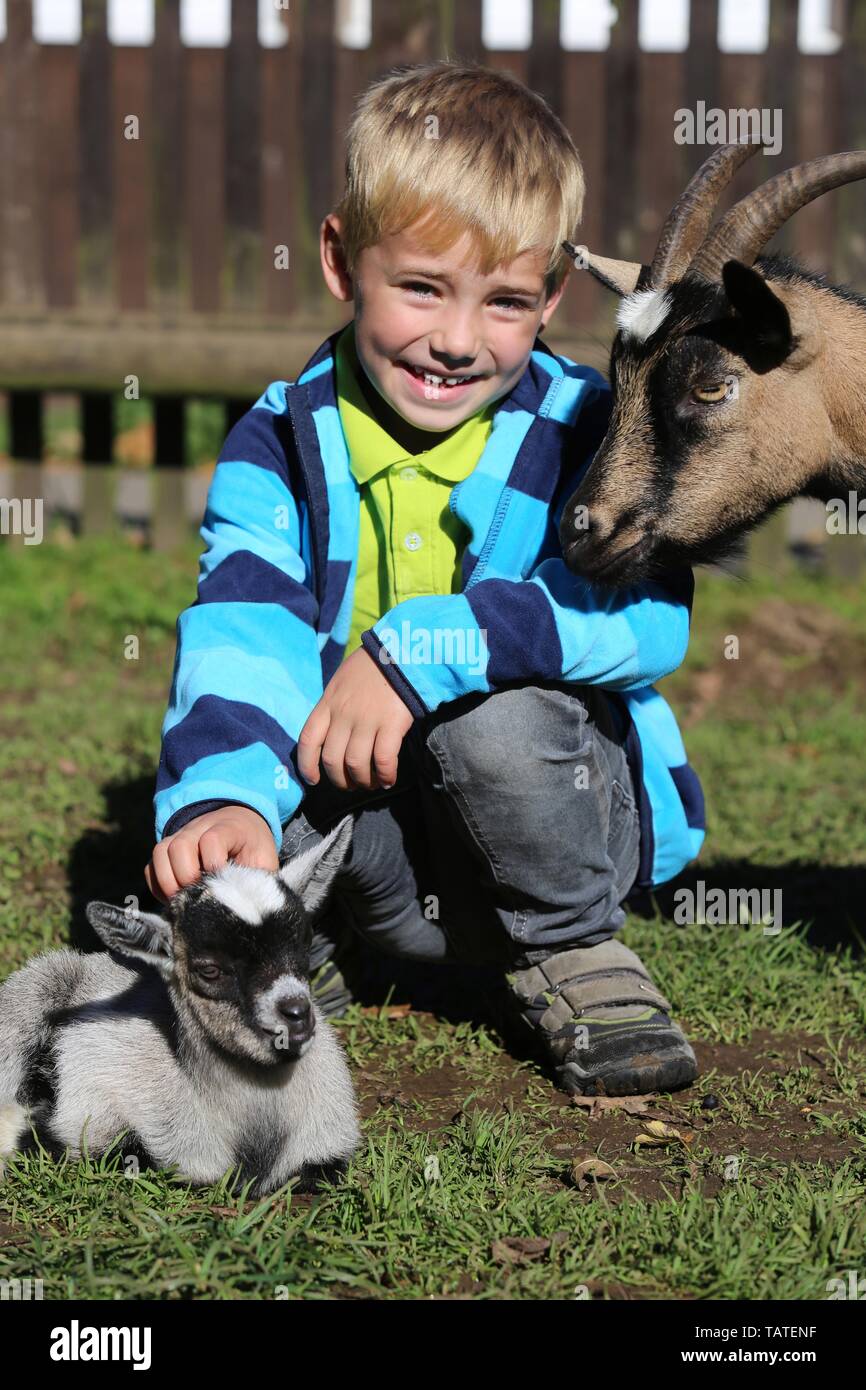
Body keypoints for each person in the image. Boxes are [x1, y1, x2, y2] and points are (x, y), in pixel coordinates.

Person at [146, 61, 705, 1096]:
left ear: (551, 297)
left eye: (503, 301)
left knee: (494, 718)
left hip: (555, 830)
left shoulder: (590, 429)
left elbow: (648, 614)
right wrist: (221, 795)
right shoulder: (277, 440)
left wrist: (420, 648)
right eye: (419, 287)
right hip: (389, 861)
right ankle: (322, 943)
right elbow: (245, 622)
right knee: (280, 748)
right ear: (338, 258)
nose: (454, 340)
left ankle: (575, 953)